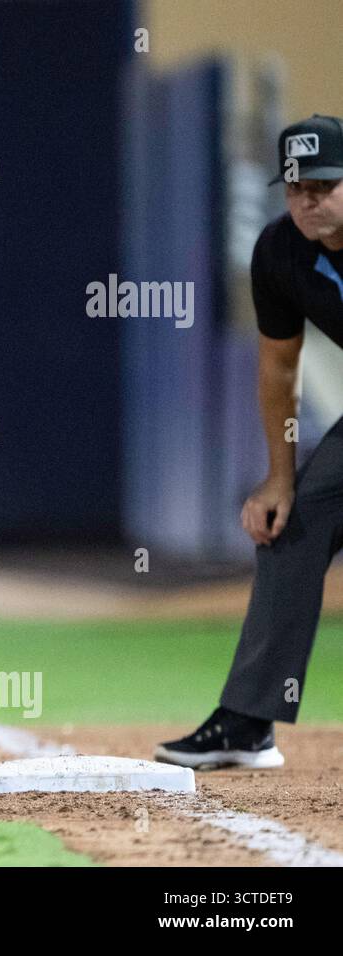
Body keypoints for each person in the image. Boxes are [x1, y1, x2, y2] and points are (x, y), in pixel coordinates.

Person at [157, 115, 343, 769]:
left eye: (324, 184)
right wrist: (279, 478)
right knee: (293, 524)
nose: (308, 199)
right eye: (295, 186)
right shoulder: (281, 253)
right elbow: (279, 369)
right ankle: (247, 722)